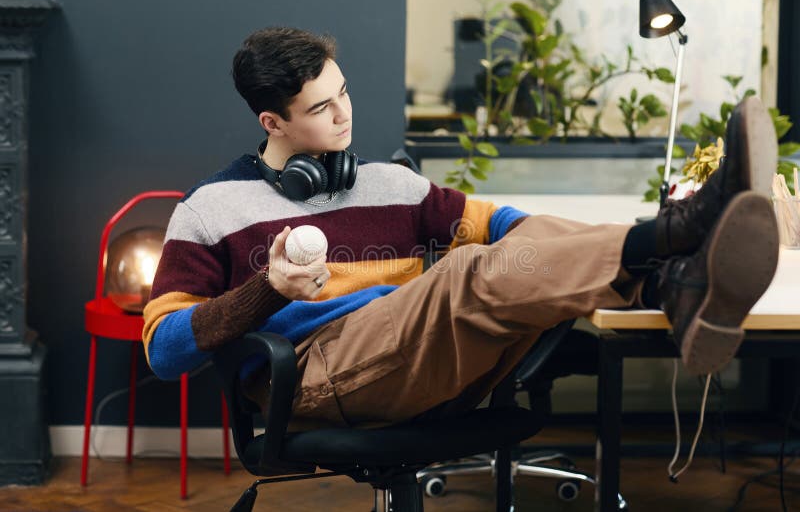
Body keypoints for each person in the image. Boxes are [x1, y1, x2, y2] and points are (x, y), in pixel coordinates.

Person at [142, 27, 779, 431]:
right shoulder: (212, 209)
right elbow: (164, 351)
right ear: (272, 123)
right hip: (316, 377)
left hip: (418, 353)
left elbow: (508, 228)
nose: (344, 115)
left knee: (512, 234)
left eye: (344, 93)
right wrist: (269, 290)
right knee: (467, 269)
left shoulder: (389, 183)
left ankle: (671, 279)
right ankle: (678, 237)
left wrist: (569, 251)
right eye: (320, 108)